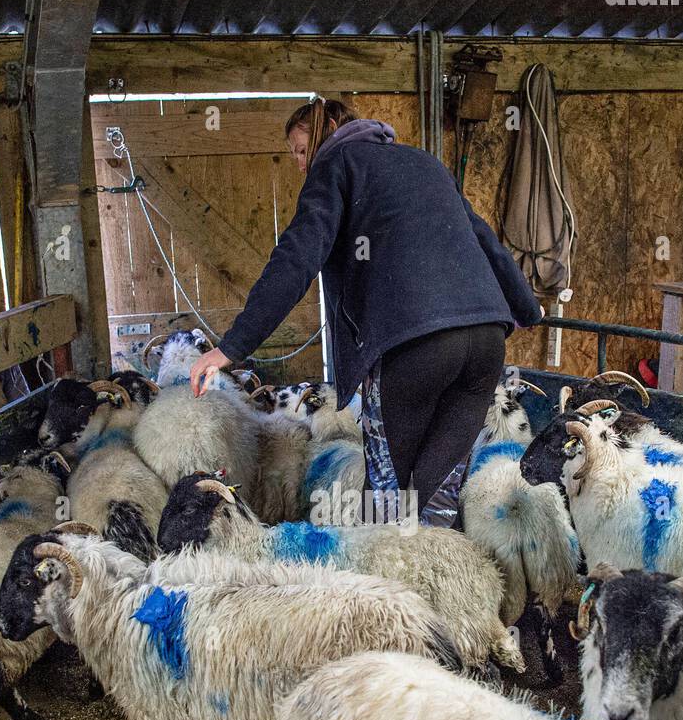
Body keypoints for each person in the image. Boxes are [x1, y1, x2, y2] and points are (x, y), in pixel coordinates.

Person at [189, 97, 542, 526]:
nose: (301, 164)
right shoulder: (424, 162)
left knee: (388, 500)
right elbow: (485, 238)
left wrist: (231, 347)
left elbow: (295, 260)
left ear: (329, 127)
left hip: (411, 347)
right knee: (435, 498)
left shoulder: (335, 166)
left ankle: (384, 585)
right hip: (485, 344)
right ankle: (436, 585)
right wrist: (526, 308)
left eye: (301, 151)